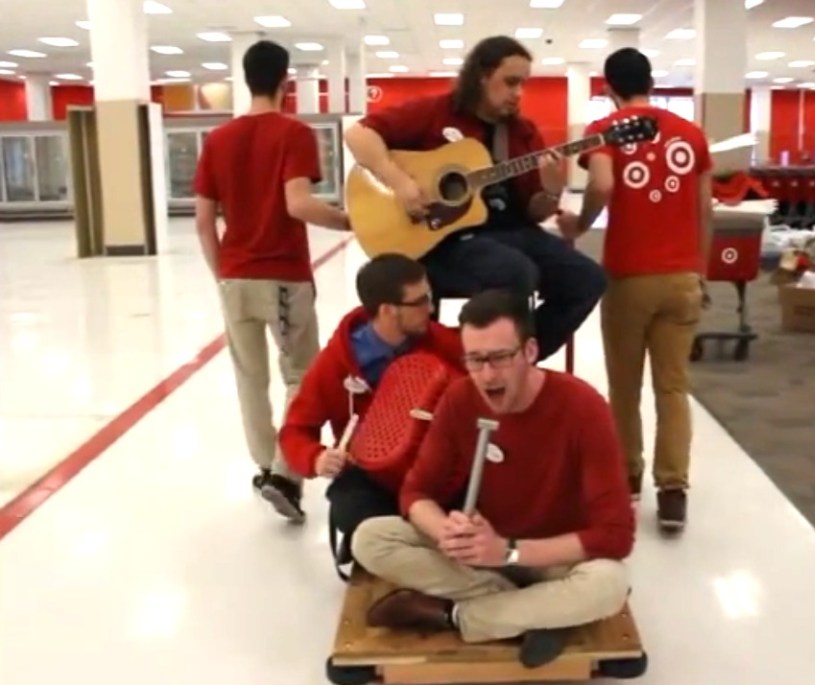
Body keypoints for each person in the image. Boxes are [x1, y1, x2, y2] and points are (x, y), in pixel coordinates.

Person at [350, 289, 634, 669]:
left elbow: (616, 535)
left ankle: (455, 615)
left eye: (501, 358)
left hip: (554, 556)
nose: (487, 374)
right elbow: (416, 493)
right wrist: (442, 529)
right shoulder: (458, 399)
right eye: (475, 359)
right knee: (370, 538)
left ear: (530, 351)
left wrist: (511, 552)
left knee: (610, 584)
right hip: (485, 554)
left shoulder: (584, 407)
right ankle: (535, 613)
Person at [343, 35, 606, 363]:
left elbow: (534, 213)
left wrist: (552, 190)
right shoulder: (437, 112)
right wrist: (400, 182)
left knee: (587, 278)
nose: (518, 93)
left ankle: (513, 357)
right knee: (515, 272)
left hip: (512, 232)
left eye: (523, 83)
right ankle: (471, 356)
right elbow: (358, 134)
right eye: (510, 82)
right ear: (482, 76)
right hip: (447, 240)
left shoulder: (522, 133)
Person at [193, 39, 352, 523]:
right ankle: (286, 472)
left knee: (250, 378)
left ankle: (265, 467)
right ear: (286, 81)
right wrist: (350, 221)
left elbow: (203, 220)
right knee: (301, 376)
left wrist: (223, 273)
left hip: (235, 279)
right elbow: (298, 204)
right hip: (284, 278)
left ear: (245, 79)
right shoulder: (294, 134)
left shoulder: (217, 141)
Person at [557, 48, 714, 531]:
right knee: (673, 385)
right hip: (683, 277)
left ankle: (627, 479)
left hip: (629, 276)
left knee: (624, 386)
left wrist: (580, 224)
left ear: (608, 88)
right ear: (651, 81)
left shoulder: (607, 131)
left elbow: (601, 183)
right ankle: (673, 492)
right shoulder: (691, 133)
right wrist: (700, 270)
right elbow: (704, 209)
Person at [278, 253, 464, 532]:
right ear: (388, 310)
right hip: (373, 477)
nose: (431, 308)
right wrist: (316, 457)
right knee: (352, 512)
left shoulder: (441, 341)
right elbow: (295, 430)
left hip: (438, 469)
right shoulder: (335, 363)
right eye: (420, 301)